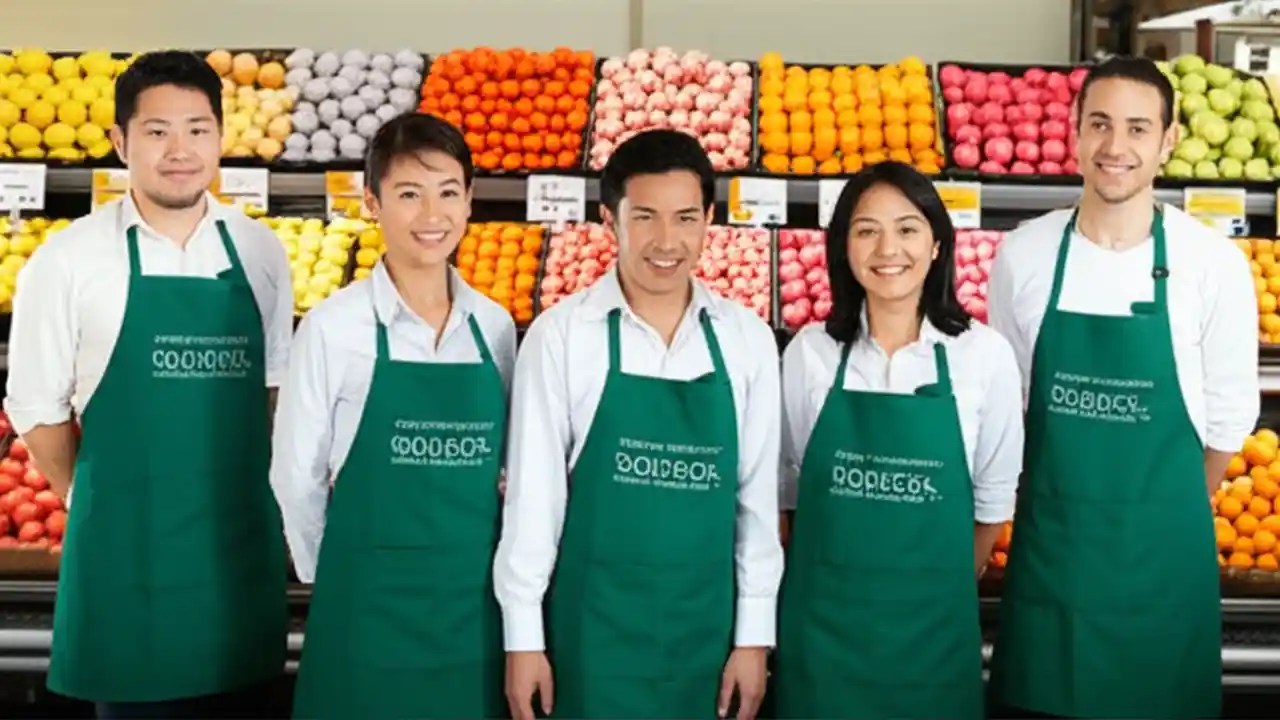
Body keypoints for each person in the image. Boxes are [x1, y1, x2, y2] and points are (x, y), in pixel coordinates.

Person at [5, 50, 293, 718]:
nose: (179, 150)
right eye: (157, 131)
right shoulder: (69, 259)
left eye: (197, 129)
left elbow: (271, 394)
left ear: (221, 138)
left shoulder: (258, 250)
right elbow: (36, 409)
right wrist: (99, 497)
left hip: (236, 565)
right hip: (128, 567)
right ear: (119, 141)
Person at [987, 56, 1259, 719]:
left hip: (1162, 575)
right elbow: (1010, 408)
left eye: (1139, 129)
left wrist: (1152, 521)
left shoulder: (1212, 263)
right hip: (1053, 566)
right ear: (1076, 132)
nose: (1116, 147)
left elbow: (1226, 424)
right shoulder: (1023, 255)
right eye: (1100, 124)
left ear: (1167, 142)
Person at [495, 129, 784, 720]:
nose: (666, 240)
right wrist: (523, 639)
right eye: (645, 217)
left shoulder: (746, 339)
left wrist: (754, 638)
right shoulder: (561, 335)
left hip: (707, 633)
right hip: (590, 635)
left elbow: (756, 504)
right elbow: (534, 502)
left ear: (709, 220)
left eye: (685, 218)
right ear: (611, 220)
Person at [275, 111, 517, 720]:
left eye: (447, 193)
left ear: (469, 203)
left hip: (473, 611)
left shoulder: (494, 328)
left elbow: (509, 469)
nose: (431, 216)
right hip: (365, 611)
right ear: (372, 204)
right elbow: (294, 476)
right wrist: (331, 575)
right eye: (409, 194)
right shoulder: (333, 328)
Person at [771, 161, 1023, 719]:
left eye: (908, 228)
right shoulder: (810, 353)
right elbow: (787, 492)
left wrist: (941, 586)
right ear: (844, 247)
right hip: (823, 635)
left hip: (932, 636)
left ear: (937, 244)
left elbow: (993, 498)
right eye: (867, 230)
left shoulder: (983, 356)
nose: (889, 248)